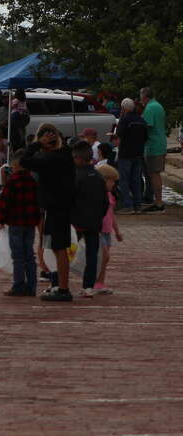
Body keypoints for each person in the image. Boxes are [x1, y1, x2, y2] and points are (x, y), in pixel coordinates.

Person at [21, 123, 76, 301]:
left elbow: (25, 161)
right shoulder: (66, 155)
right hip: (62, 206)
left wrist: (36, 144)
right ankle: (59, 284)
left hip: (55, 208)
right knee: (56, 246)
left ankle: (63, 288)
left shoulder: (50, 159)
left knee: (58, 247)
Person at [0, 150, 40, 296]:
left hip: (16, 222)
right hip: (30, 223)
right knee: (29, 254)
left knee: (18, 255)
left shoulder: (13, 181)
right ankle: (32, 285)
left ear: (16, 164)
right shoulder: (32, 180)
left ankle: (19, 284)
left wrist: (1, 219)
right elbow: (37, 202)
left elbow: (5, 202)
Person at [71, 140, 108, 299]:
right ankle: (88, 286)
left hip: (77, 223)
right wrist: (98, 216)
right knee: (92, 256)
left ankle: (58, 282)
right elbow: (105, 202)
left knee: (65, 253)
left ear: (78, 158)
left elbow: (70, 198)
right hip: (94, 222)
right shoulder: (99, 176)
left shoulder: (76, 176)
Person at [113, 98, 148, 215]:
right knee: (137, 180)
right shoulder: (141, 120)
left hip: (126, 154)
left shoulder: (125, 119)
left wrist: (122, 117)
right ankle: (138, 205)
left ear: (123, 108)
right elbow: (146, 137)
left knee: (124, 180)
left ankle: (128, 205)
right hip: (138, 153)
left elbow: (118, 133)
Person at [94, 164, 123, 294]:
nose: (113, 185)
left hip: (107, 232)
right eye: (112, 182)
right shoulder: (96, 195)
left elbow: (111, 215)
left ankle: (100, 283)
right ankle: (94, 281)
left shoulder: (110, 195)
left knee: (103, 260)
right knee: (104, 256)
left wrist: (117, 231)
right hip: (98, 230)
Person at [140, 86, 167, 213]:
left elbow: (146, 126)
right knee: (155, 173)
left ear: (144, 97)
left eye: (141, 97)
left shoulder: (150, 108)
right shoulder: (158, 105)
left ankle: (159, 202)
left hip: (153, 146)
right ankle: (158, 201)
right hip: (160, 143)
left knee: (154, 174)